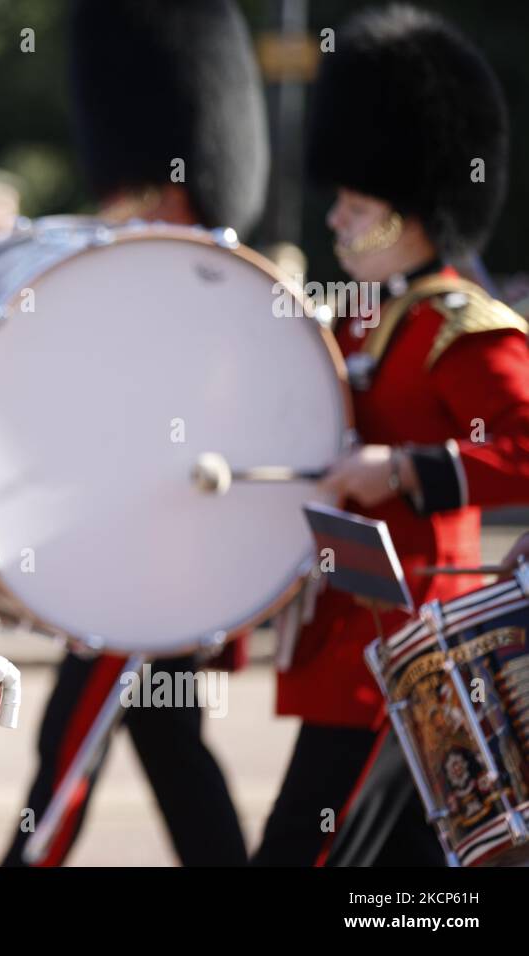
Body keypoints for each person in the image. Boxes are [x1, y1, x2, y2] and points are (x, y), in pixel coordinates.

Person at [253, 4, 529, 866]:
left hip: (411, 650)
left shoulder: (463, 327)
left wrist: (407, 468)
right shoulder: (367, 322)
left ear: (409, 209)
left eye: (355, 202)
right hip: (351, 640)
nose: (336, 218)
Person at [2, 0, 266, 868]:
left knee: (68, 755)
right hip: (136, 564)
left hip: (156, 574)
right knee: (170, 754)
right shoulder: (152, 278)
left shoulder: (213, 290)